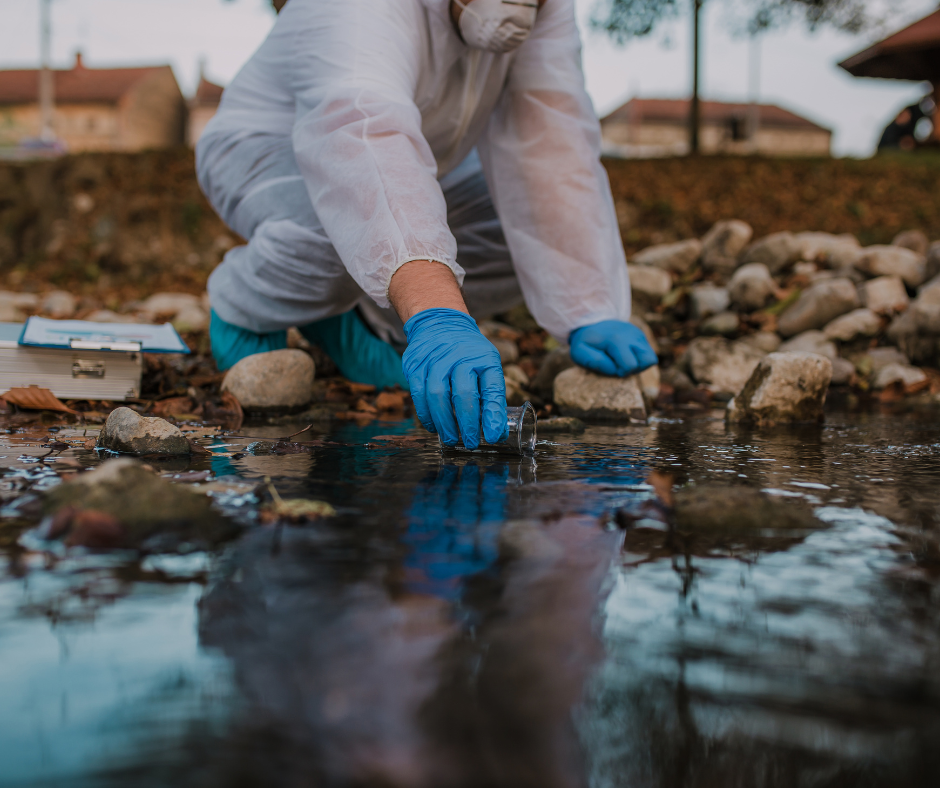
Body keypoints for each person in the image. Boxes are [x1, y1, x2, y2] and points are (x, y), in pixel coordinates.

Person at [196, 0, 657, 449]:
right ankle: (245, 307)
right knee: (344, 228)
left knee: (517, 232)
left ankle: (360, 317)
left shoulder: (548, 9)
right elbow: (362, 139)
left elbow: (549, 141)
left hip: (423, 156)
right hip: (268, 150)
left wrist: (587, 305)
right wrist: (437, 312)